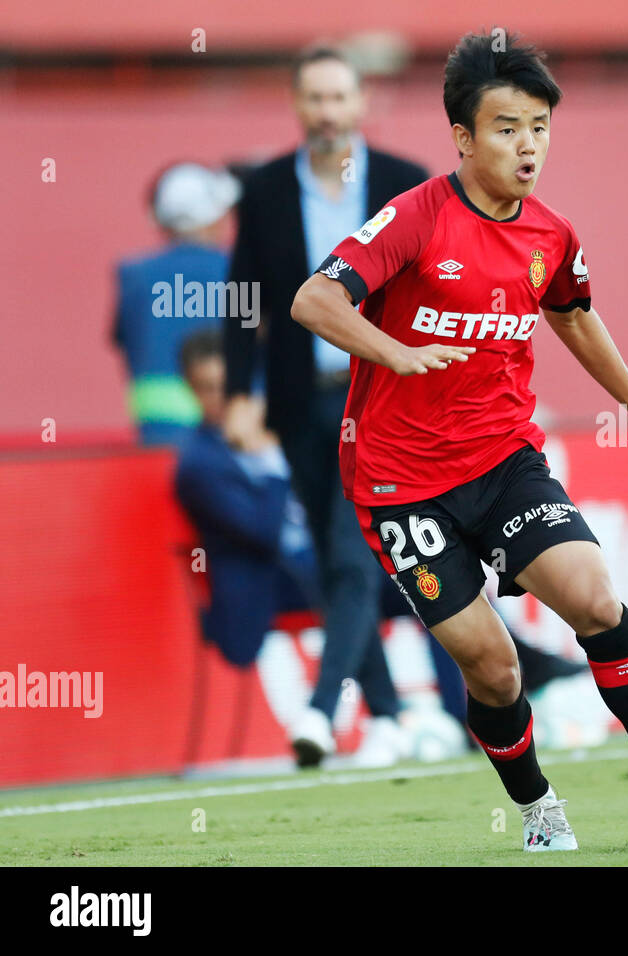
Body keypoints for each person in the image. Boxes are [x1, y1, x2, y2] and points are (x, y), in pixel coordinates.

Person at [288, 31, 628, 851]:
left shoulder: (551, 235)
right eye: (507, 127)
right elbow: (313, 301)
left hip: (503, 460)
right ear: (464, 138)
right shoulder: (413, 218)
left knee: (591, 594)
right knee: (494, 664)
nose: (528, 145)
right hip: (401, 480)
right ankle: (540, 807)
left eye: (539, 127)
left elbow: (573, 315)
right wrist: (396, 351)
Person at [222, 47, 430, 767]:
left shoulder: (409, 185)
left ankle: (319, 711)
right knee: (335, 560)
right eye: (315, 98)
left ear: (362, 103)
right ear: (296, 105)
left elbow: (438, 294)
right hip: (297, 402)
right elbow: (243, 300)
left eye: (339, 97)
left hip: (381, 398)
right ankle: (391, 715)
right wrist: (240, 396)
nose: (328, 112)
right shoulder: (267, 190)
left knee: (350, 553)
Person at [173, 329, 418, 767]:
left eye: (228, 386)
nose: (222, 400)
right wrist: (266, 459)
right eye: (207, 389)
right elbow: (264, 533)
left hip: (323, 568)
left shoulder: (298, 430)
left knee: (424, 579)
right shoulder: (198, 463)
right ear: (191, 392)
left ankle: (452, 716)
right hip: (270, 585)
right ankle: (362, 715)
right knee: (347, 580)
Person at [113, 162, 239, 446]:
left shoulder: (133, 275)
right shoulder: (239, 270)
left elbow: (123, 338)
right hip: (228, 420)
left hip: (157, 426)